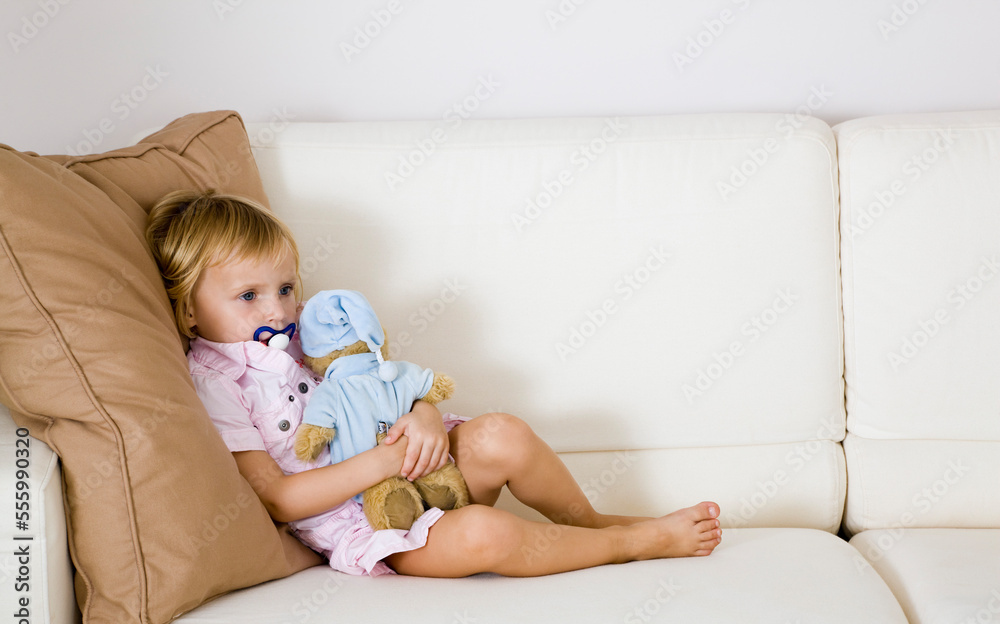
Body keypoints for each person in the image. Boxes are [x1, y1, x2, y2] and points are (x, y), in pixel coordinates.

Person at [146, 189, 722, 578]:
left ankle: (588, 522)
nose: (279, 309)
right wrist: (380, 467)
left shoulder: (306, 337)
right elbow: (275, 496)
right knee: (484, 536)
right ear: (190, 312)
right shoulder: (217, 380)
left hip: (423, 464)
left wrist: (421, 412)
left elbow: (373, 379)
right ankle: (627, 545)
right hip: (371, 518)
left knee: (504, 434)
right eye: (249, 295)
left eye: (286, 287)